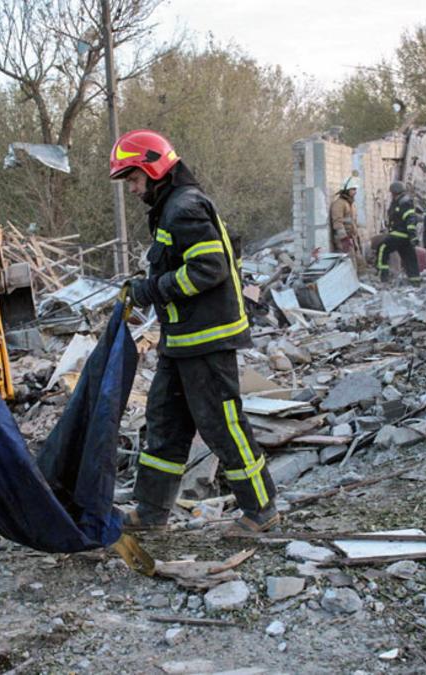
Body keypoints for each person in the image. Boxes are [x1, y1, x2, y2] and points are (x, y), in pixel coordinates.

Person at [110, 129, 279, 535]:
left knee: (222, 425)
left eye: (133, 179)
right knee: (165, 422)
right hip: (183, 340)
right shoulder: (172, 205)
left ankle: (262, 510)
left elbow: (210, 269)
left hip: (207, 339)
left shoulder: (183, 207)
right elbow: (181, 265)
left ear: (153, 169)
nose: (132, 189)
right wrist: (149, 282)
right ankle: (151, 513)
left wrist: (152, 289)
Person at [376, 181, 420, 283]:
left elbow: (411, 220)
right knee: (410, 257)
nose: (391, 195)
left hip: (398, 235)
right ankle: (415, 280)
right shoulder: (401, 202)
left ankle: (383, 276)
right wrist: (412, 237)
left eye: (392, 193)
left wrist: (413, 235)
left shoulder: (404, 203)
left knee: (382, 248)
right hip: (405, 237)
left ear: (395, 192)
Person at [329, 176, 363, 269]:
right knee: (349, 262)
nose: (355, 192)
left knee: (355, 261)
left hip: (351, 237)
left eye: (355, 189)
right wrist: (344, 240)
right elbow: (337, 222)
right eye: (353, 189)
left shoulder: (349, 203)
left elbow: (352, 221)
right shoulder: (339, 203)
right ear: (346, 189)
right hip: (344, 238)